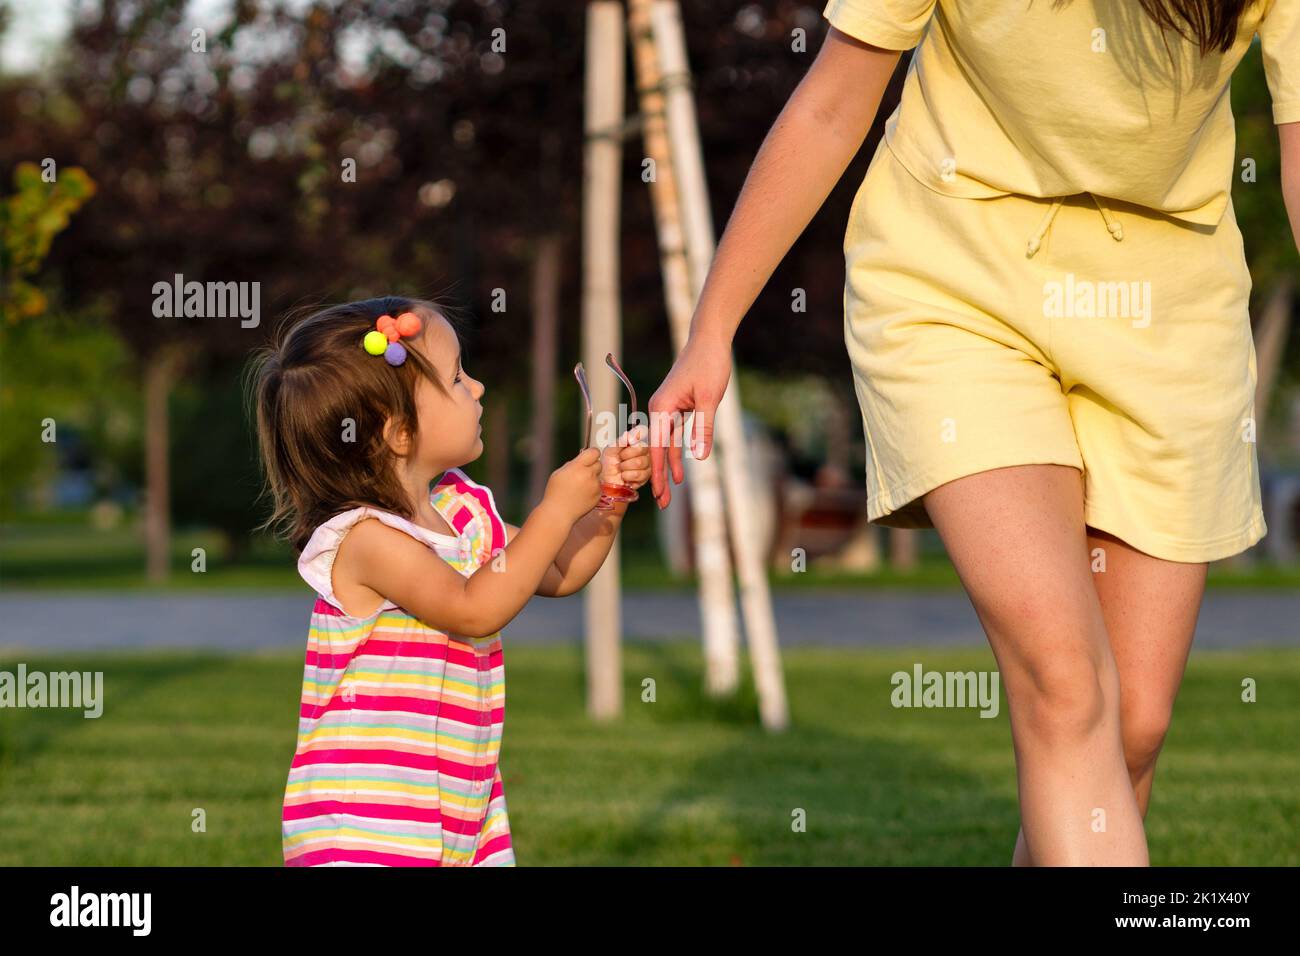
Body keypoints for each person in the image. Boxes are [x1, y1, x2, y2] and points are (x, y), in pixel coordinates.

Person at [647, 1, 1299, 865]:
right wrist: (713, 324)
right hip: (956, 281)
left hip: (1168, 304)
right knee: (1066, 694)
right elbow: (833, 102)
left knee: (1131, 726)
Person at [251, 296, 650, 865]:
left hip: (465, 807)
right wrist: (556, 509)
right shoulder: (365, 539)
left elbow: (559, 570)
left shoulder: (462, 509)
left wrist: (606, 503)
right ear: (398, 432)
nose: (478, 387)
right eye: (458, 377)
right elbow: (472, 609)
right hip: (367, 823)